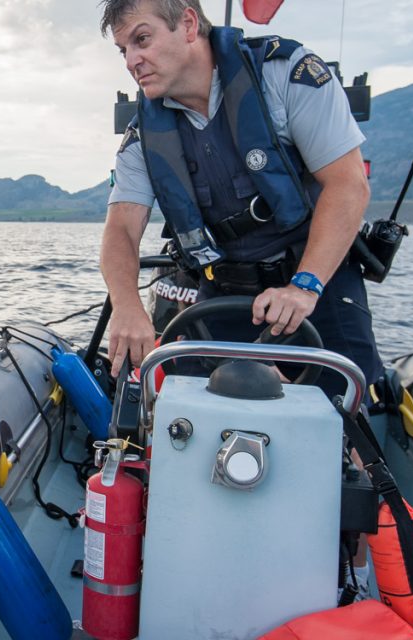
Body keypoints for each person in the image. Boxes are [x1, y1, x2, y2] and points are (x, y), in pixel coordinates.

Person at [97, 0, 381, 395]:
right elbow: (122, 231)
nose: (132, 60)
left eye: (142, 39)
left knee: (348, 420)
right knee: (195, 419)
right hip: (225, 289)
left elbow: (348, 184)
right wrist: (127, 306)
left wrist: (304, 287)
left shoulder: (286, 76)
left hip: (317, 281)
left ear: (189, 24)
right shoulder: (143, 136)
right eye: (123, 49)